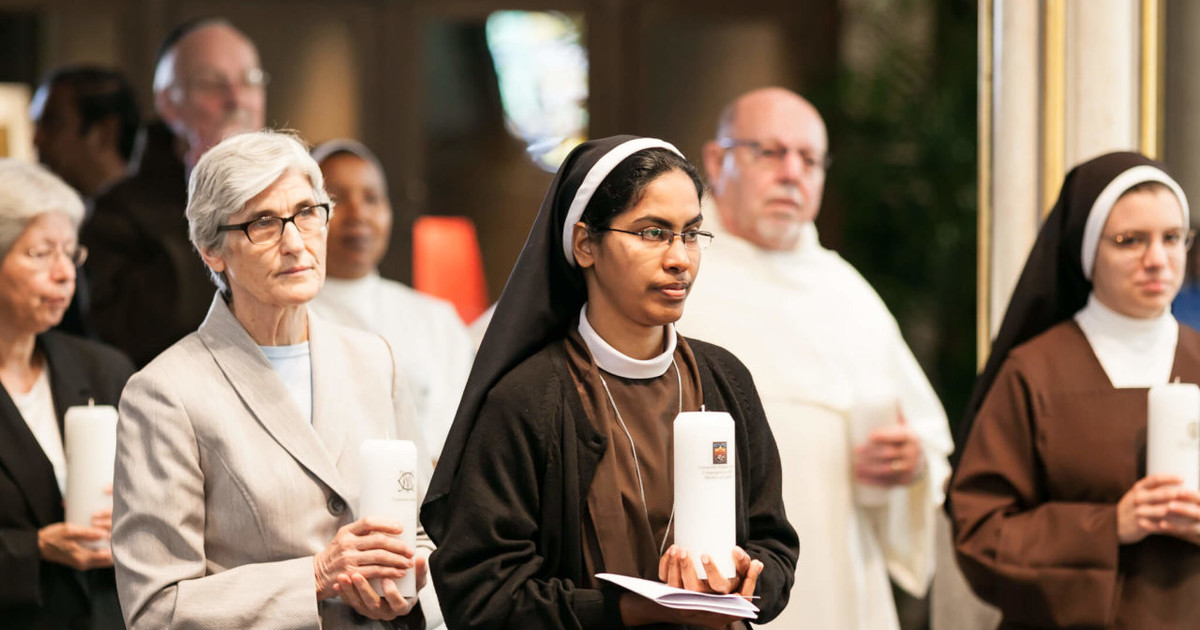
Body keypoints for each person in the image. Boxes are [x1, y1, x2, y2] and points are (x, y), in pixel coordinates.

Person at [422, 135, 799, 630]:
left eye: (690, 234)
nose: (679, 259)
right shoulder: (528, 399)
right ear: (584, 244)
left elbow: (773, 542)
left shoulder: (724, 379)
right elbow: (480, 594)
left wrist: (747, 579)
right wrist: (627, 610)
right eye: (652, 233)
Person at [111, 131, 434, 629]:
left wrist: (407, 582)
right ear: (211, 250)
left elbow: (422, 531)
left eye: (307, 212)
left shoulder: (374, 358)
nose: (295, 242)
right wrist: (315, 577)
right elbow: (156, 609)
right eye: (263, 223)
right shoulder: (165, 393)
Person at [676, 87, 953, 630]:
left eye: (809, 159)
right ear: (715, 161)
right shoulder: (676, 268)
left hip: (839, 575)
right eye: (770, 152)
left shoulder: (846, 290)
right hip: (715, 583)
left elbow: (928, 439)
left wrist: (912, 463)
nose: (791, 173)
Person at [948, 152, 1200, 627]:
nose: (1157, 260)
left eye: (1172, 238)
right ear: (1086, 252)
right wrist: (1108, 528)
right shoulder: (1035, 371)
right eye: (1130, 241)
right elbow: (979, 531)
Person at [82, 17, 266, 366]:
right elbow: (136, 336)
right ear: (168, 103)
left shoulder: (290, 188)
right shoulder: (116, 213)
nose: (236, 98)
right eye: (213, 84)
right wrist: (209, 198)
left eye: (250, 81)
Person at [0, 159, 135, 629]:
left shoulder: (103, 368)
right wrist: (33, 548)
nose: (64, 274)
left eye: (70, 253)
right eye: (40, 254)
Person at [310, 139, 474, 460]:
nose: (358, 214)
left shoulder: (436, 318)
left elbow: (461, 430)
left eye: (372, 198)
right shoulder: (288, 319)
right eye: (335, 199)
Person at [30, 66, 140, 203]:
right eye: (37, 125)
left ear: (105, 132)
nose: (36, 140)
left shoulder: (146, 216)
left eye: (52, 124)